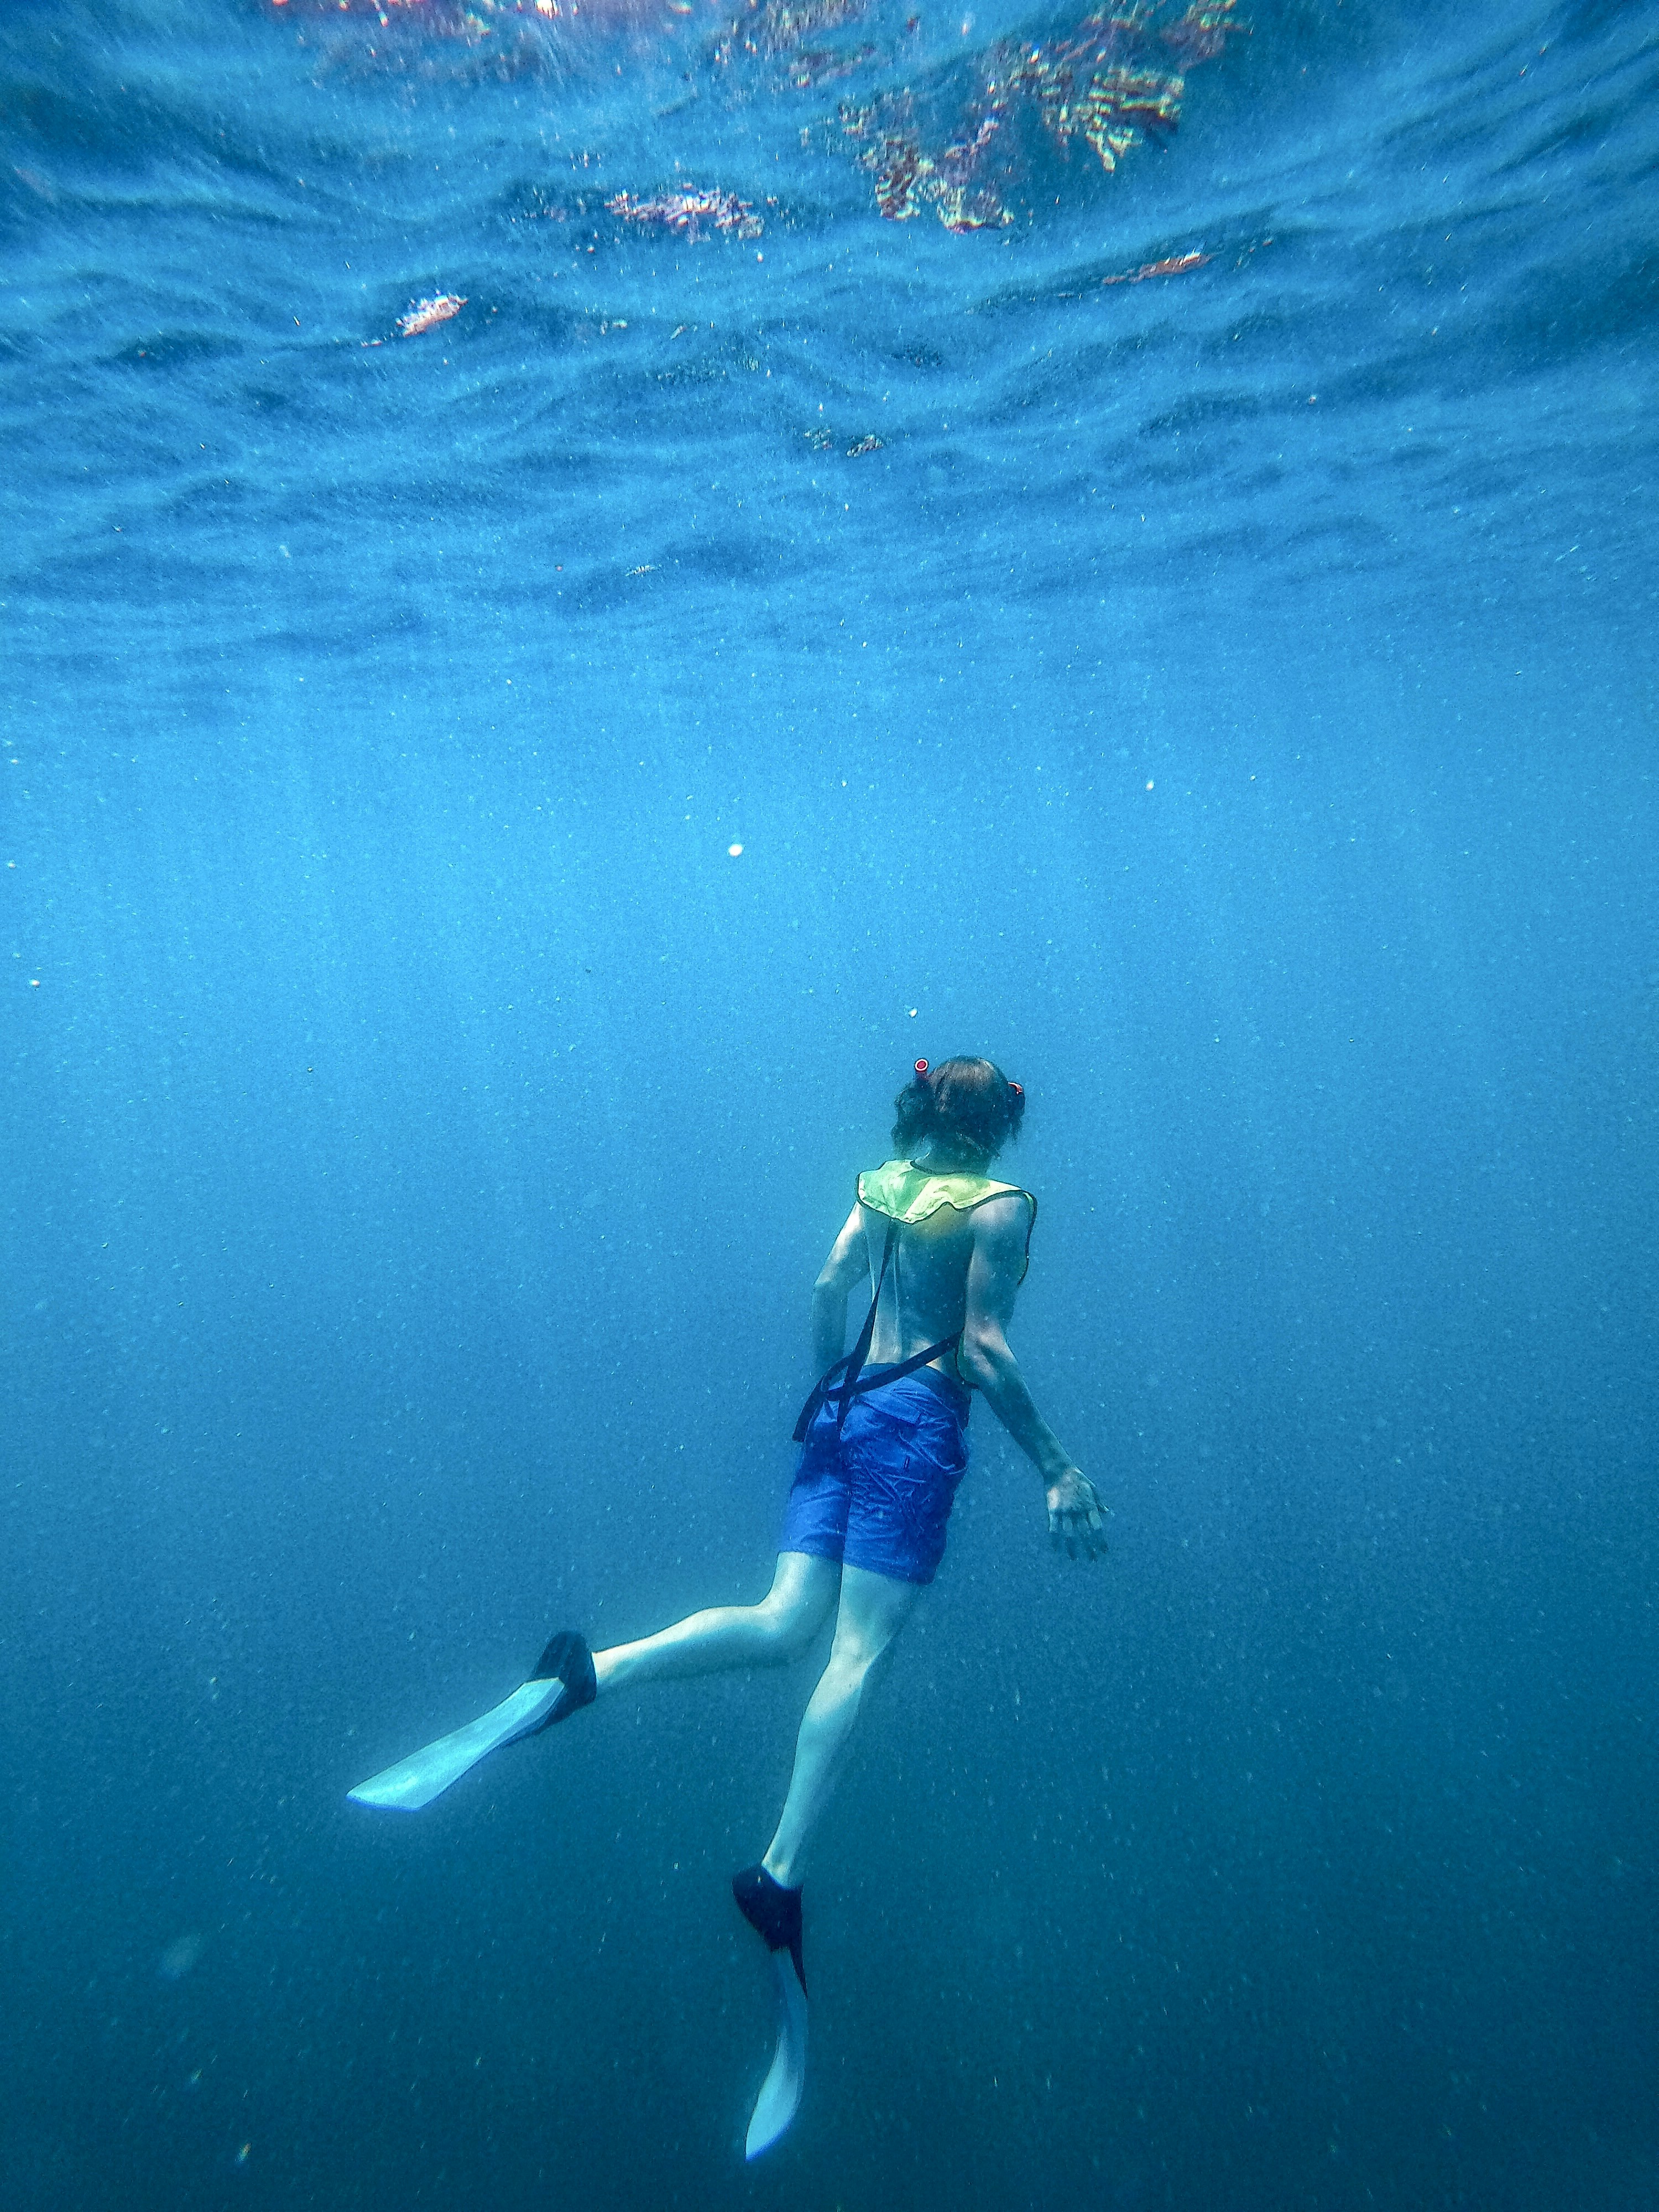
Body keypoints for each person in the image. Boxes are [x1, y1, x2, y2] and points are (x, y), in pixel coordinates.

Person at [348, 1054, 1104, 2148]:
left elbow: (827, 1288)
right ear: (1002, 1127)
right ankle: (781, 1871)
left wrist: (829, 1395)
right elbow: (981, 1346)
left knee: (780, 1619)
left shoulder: (883, 1184)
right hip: (917, 1424)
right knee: (858, 1650)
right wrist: (1057, 1468)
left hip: (844, 1406)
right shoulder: (997, 1210)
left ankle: (585, 1674)